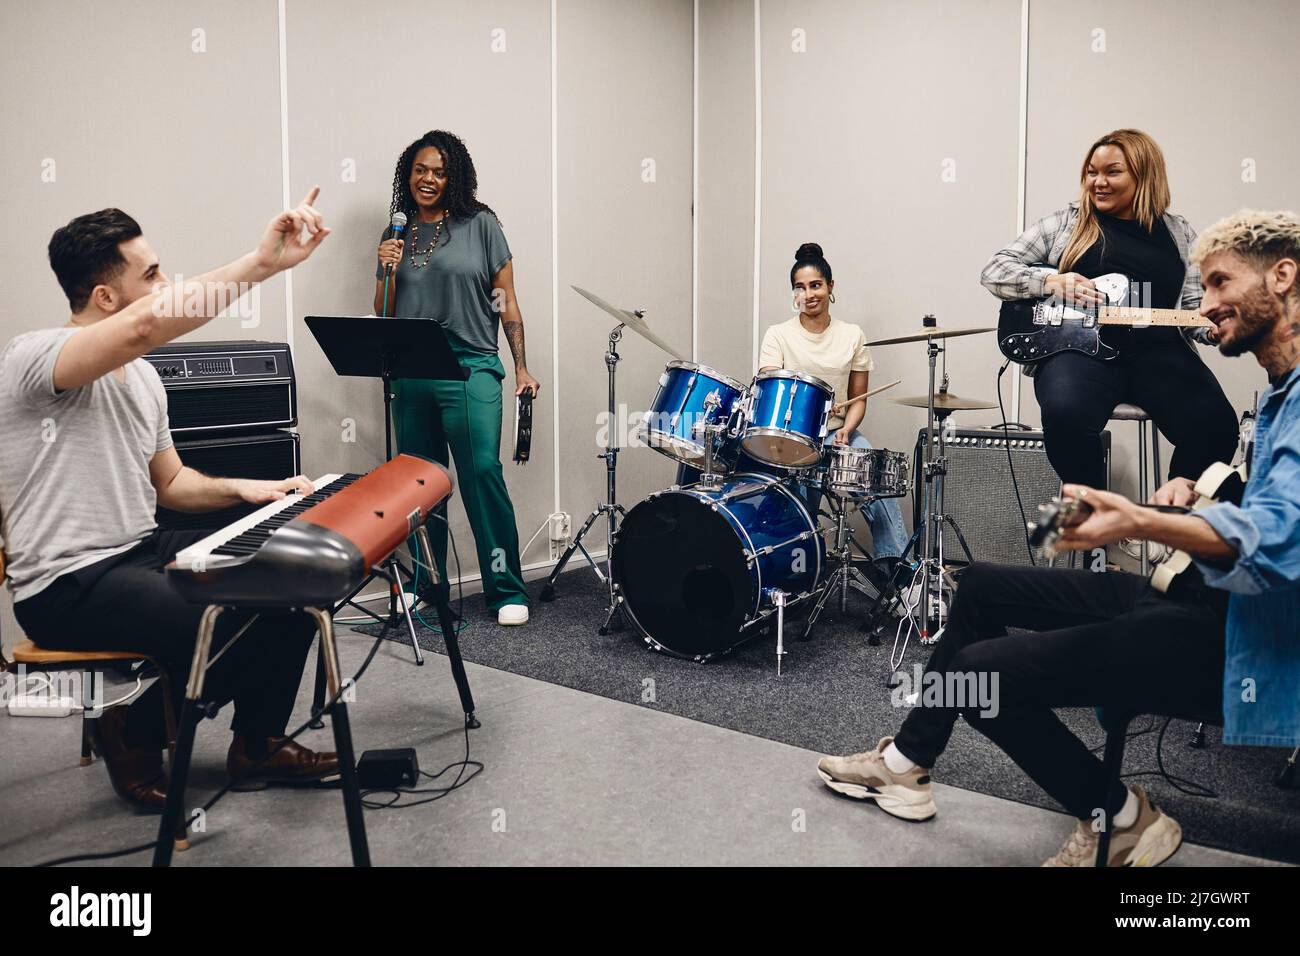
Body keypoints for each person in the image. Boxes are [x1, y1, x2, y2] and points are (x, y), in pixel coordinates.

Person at [817, 209, 1300, 866]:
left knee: (982, 673)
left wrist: (1139, 520)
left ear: (1283, 276)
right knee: (981, 587)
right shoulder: (1278, 395)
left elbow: (1276, 544)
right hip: (1201, 599)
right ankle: (906, 761)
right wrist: (1202, 492)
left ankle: (1118, 816)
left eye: (1218, 284)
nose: (1203, 305)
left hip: (1243, 642)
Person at [0, 194, 337, 812]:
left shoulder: (144, 378)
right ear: (105, 297)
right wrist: (261, 265)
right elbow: (146, 325)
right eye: (150, 276)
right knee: (212, 622)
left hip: (140, 553)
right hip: (65, 583)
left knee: (292, 580)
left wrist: (246, 490)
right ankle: (130, 732)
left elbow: (172, 484)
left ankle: (257, 744)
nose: (165, 286)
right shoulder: (33, 358)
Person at [981, 128, 1237, 490]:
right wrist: (1051, 283)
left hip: (1159, 352)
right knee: (1065, 415)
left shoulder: (1179, 233)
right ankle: (1096, 512)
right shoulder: (1066, 223)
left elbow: (1196, 309)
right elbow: (994, 271)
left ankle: (1173, 518)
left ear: (1144, 176)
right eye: (1091, 172)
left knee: (1217, 427)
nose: (1097, 182)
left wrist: (1213, 327)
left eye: (1112, 172)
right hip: (1078, 352)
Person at [375, 130, 538, 626]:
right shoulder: (396, 233)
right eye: (421, 170)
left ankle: (506, 588)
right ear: (409, 173)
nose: (429, 179)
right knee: (420, 484)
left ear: (454, 178)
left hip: (471, 366)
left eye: (439, 172)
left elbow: (504, 299)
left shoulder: (480, 224)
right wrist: (387, 271)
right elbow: (382, 312)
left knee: (481, 472)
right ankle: (428, 586)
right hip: (412, 370)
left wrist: (520, 366)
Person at [757, 243, 909, 560]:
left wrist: (846, 429)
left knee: (878, 488)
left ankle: (899, 579)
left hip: (838, 434)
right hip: (792, 439)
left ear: (830, 286)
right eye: (800, 287)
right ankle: (800, 578)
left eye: (816, 285)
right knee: (797, 509)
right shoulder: (777, 335)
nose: (809, 294)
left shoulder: (852, 335)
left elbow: (857, 401)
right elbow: (771, 389)